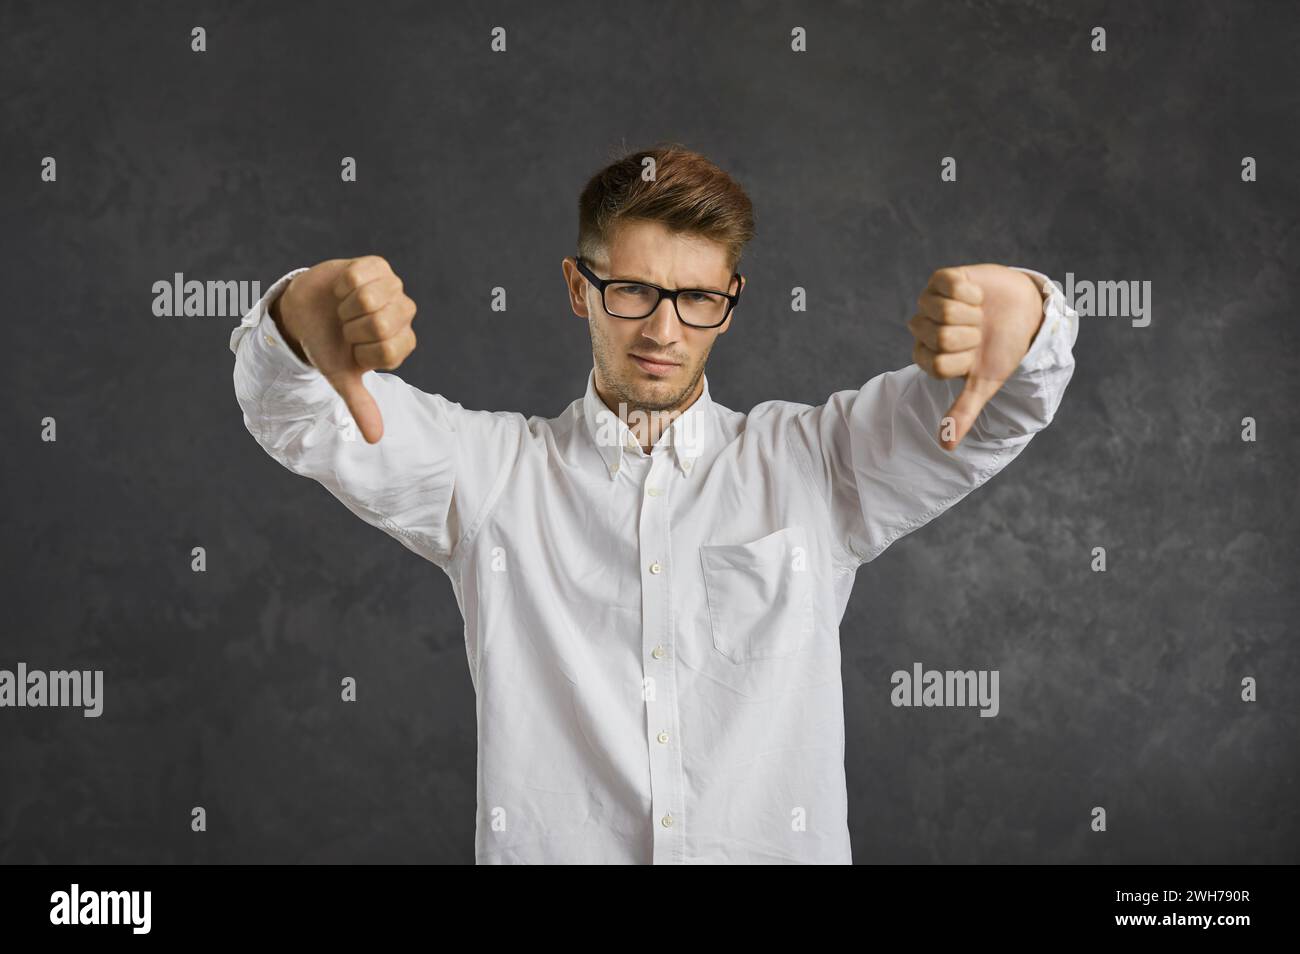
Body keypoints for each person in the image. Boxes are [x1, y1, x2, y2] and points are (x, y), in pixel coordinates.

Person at [230, 144, 1079, 863]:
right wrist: (295, 323)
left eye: (697, 298)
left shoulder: (818, 465)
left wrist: (1032, 316)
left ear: (730, 305)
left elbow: (991, 407)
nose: (663, 331)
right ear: (577, 287)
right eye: (631, 290)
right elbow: (299, 414)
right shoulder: (488, 476)